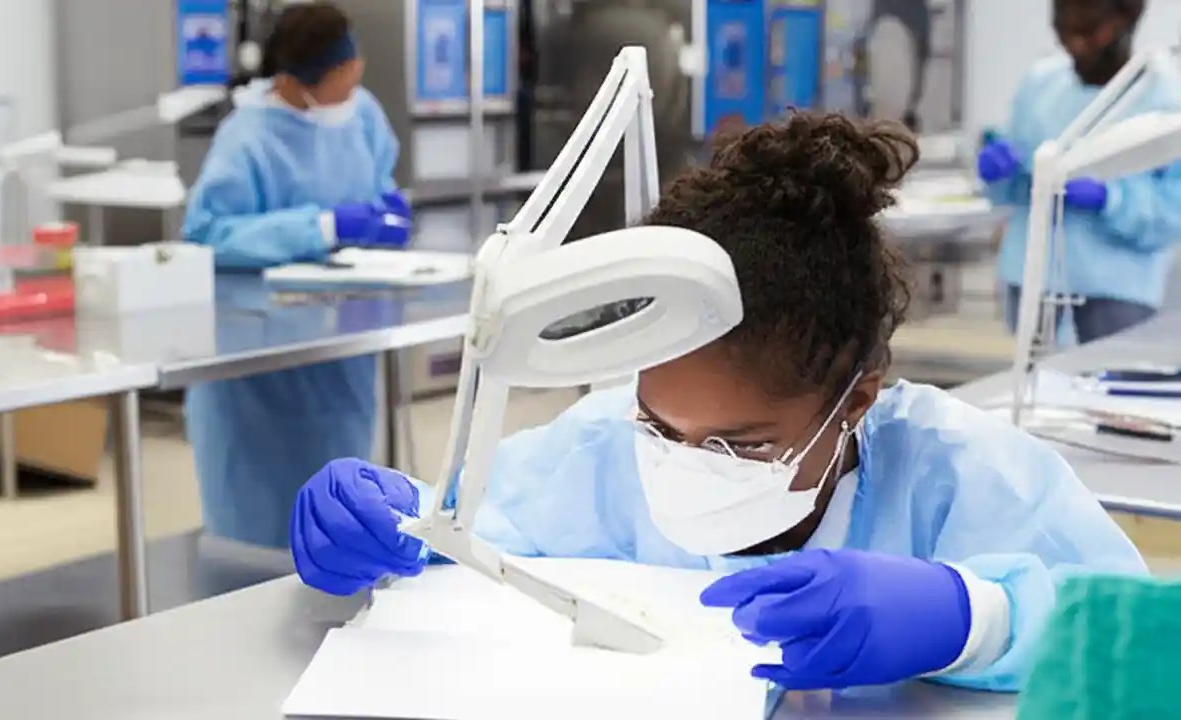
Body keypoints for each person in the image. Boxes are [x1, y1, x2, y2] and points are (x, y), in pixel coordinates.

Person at [289, 113, 1145, 692]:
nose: (681, 463)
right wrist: (387, 529)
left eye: (741, 446)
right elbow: (473, 544)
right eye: (659, 426)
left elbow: (1139, 643)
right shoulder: (594, 452)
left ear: (858, 398)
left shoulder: (963, 474)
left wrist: (975, 620)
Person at [182, 2, 408, 548]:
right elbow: (208, 233)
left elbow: (380, 177)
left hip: (341, 349)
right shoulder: (248, 136)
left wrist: (388, 212)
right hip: (257, 355)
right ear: (299, 79)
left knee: (339, 511)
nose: (353, 88)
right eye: (342, 77)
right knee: (260, 533)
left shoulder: (362, 113)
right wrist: (322, 224)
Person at [979, 0, 1181, 344]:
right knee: (1033, 388)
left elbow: (1171, 212)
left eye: (1088, 32)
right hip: (1031, 280)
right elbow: (1011, 184)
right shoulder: (1042, 84)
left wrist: (1111, 200)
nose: (1075, 44)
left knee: (1108, 388)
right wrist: (998, 171)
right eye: (1064, 31)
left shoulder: (1164, 96)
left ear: (1125, 20)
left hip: (1116, 289)